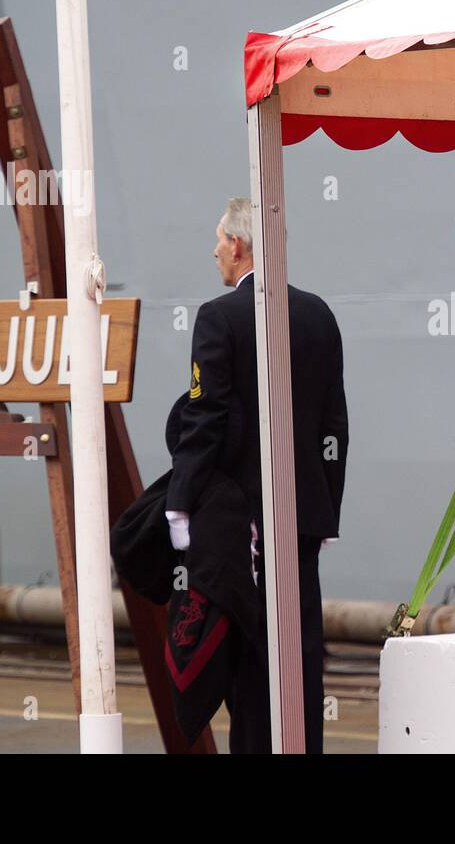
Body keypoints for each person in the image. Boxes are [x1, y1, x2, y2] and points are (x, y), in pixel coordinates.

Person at [166, 198, 348, 753]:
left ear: (239, 246)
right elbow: (335, 425)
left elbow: (206, 416)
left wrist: (180, 502)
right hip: (302, 522)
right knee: (300, 655)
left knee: (251, 665)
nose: (215, 250)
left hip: (241, 527)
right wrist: (321, 510)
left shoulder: (219, 317)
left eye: (219, 240)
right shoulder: (318, 314)